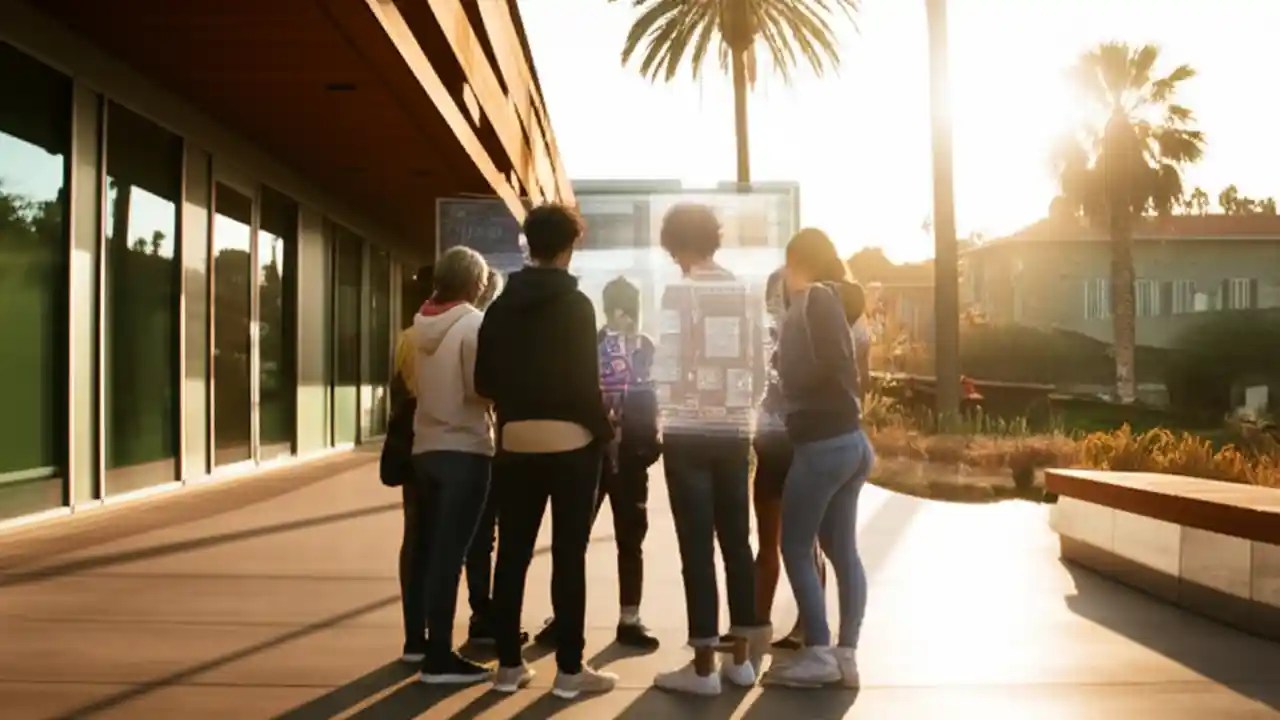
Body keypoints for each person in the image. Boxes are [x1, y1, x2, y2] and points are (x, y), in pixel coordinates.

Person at [477, 204, 619, 699]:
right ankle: (570, 671)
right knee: (568, 556)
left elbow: (483, 381)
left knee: (512, 553)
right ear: (567, 248)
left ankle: (508, 668)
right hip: (571, 445)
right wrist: (605, 433)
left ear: (528, 245)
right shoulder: (577, 307)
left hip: (515, 440)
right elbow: (584, 386)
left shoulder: (499, 307)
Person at [651, 203, 771, 696]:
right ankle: (740, 662)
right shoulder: (746, 292)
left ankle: (702, 668)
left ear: (677, 245)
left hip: (687, 434)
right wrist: (738, 411)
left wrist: (666, 408)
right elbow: (762, 369)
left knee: (696, 548)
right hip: (733, 432)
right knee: (737, 543)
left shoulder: (680, 292)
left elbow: (669, 364)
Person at [764, 228, 873, 689]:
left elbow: (823, 364)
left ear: (796, 262)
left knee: (794, 545)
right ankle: (846, 655)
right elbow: (851, 370)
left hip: (821, 444)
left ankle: (819, 652)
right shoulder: (846, 302)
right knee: (841, 550)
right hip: (852, 442)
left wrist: (788, 381)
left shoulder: (812, 301)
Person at [531, 276, 662, 652]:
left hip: (625, 454)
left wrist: (650, 443)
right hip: (595, 452)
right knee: (575, 538)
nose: (631, 318)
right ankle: (566, 617)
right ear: (615, 310)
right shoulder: (595, 344)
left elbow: (652, 396)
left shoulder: (642, 345)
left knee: (629, 537)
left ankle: (629, 617)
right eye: (627, 311)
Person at [403, 247, 496, 684]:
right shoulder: (473, 324)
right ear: (476, 284)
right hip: (464, 448)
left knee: (424, 549)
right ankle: (440, 656)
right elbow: (480, 388)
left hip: (425, 449)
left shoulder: (419, 327)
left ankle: (418, 642)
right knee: (451, 554)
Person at [752, 268, 827, 651]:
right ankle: (756, 623)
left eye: (780, 298)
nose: (776, 307)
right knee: (769, 542)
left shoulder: (812, 338)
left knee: (802, 543)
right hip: (770, 445)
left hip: (800, 445)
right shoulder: (767, 338)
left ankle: (808, 627)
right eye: (773, 300)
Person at [463, 268, 533, 646]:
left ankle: (482, 611)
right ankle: (499, 615)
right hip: (497, 441)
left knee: (480, 535)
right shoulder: (487, 331)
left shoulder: (447, 326)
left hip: (476, 442)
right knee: (506, 534)